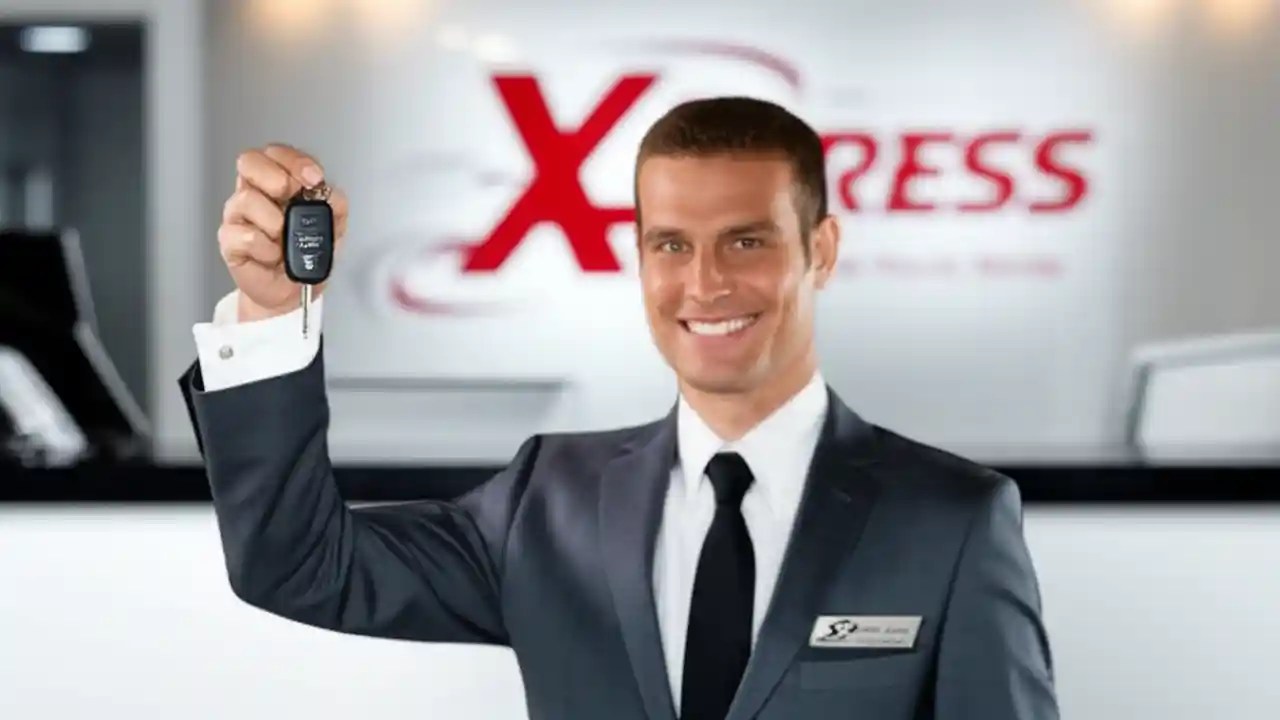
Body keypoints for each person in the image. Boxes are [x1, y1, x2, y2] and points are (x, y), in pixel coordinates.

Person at [180, 97, 1059, 720]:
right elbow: (296, 564)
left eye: (746, 240)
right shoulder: (548, 501)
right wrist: (272, 311)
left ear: (820, 249)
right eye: (671, 244)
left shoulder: (952, 521)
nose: (705, 283)